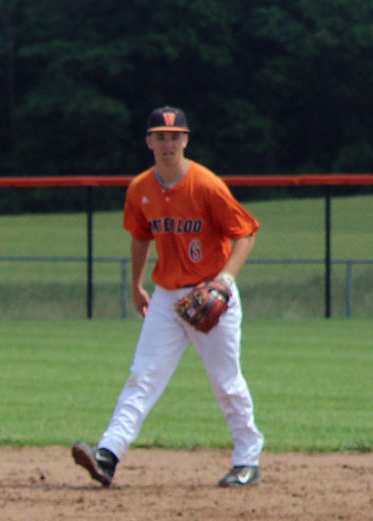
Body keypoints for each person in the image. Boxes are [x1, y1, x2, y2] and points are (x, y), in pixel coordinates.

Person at [73, 106, 265, 489]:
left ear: (185, 140)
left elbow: (246, 233)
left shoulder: (206, 185)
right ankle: (108, 456)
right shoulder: (140, 189)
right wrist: (136, 285)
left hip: (211, 293)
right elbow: (140, 236)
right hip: (165, 297)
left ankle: (248, 460)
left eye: (175, 136)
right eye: (160, 136)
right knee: (142, 376)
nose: (168, 143)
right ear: (149, 141)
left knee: (225, 382)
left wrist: (225, 281)